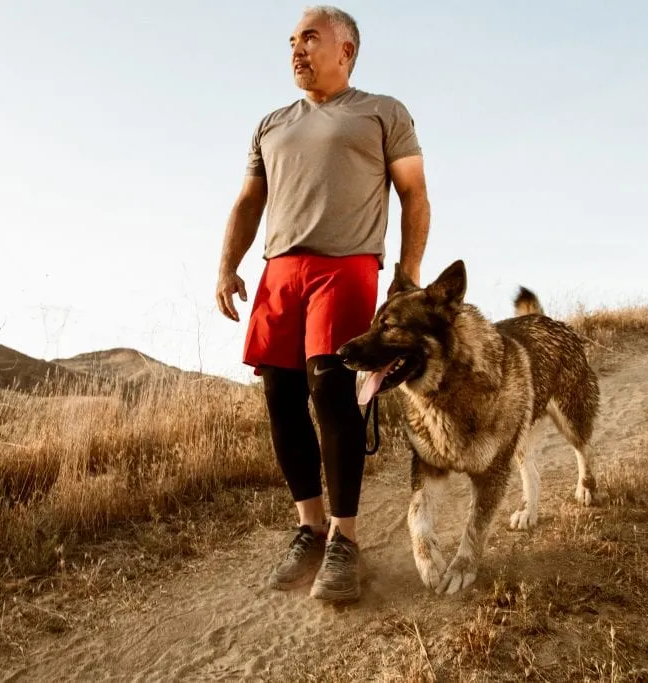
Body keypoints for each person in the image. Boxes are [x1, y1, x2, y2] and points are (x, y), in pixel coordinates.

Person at [215, 5, 430, 603]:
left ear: (346, 50)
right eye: (291, 40)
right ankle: (310, 529)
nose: (296, 49)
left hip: (346, 265)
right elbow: (248, 202)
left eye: (309, 38)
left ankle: (345, 540)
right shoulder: (271, 123)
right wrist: (227, 266)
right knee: (281, 398)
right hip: (280, 270)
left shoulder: (382, 112)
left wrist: (408, 275)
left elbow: (414, 193)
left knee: (332, 393)